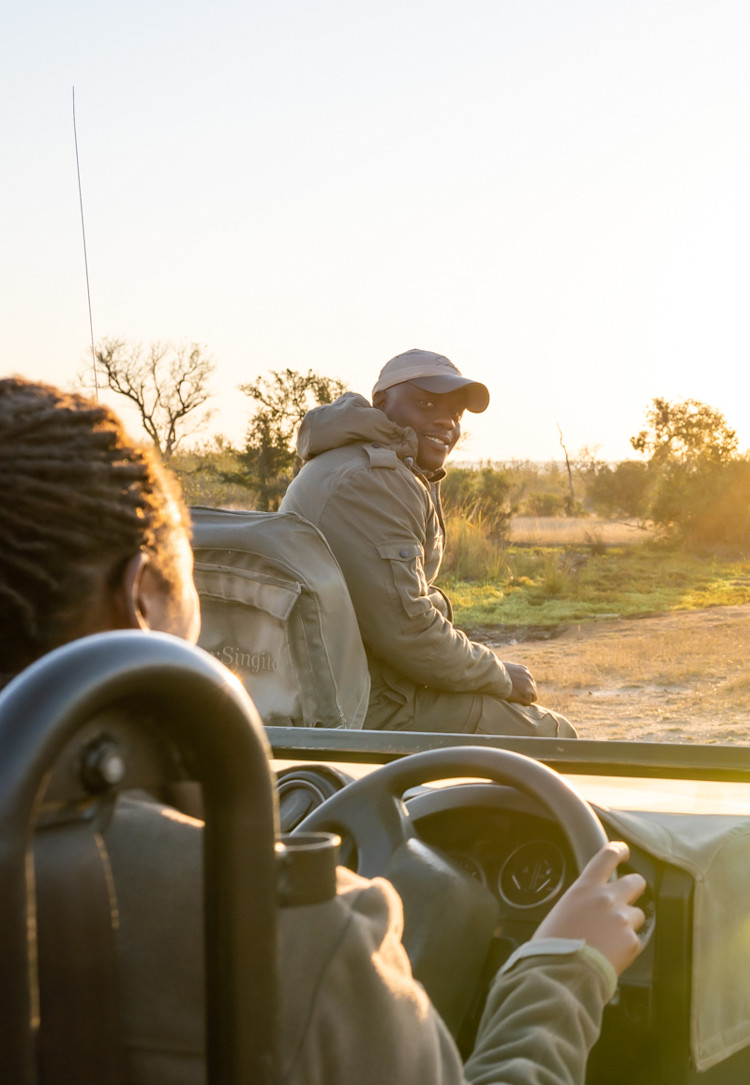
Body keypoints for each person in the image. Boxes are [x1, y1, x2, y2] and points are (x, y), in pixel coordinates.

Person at [0, 375, 646, 1084]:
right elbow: (411, 628)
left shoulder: (348, 470)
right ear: (143, 598)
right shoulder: (288, 930)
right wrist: (563, 969)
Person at [280, 348, 576, 736]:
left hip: (350, 682)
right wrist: (498, 674)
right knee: (553, 735)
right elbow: (407, 630)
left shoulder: (356, 463)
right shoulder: (372, 479)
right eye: (425, 403)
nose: (446, 422)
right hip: (362, 702)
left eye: (456, 414)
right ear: (381, 403)